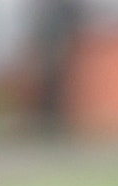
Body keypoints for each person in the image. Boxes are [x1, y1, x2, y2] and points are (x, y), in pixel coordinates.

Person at [33, 0, 85, 132]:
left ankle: (58, 122)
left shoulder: (65, 8)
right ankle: (48, 122)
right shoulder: (47, 9)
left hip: (63, 55)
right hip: (50, 56)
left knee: (63, 90)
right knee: (48, 89)